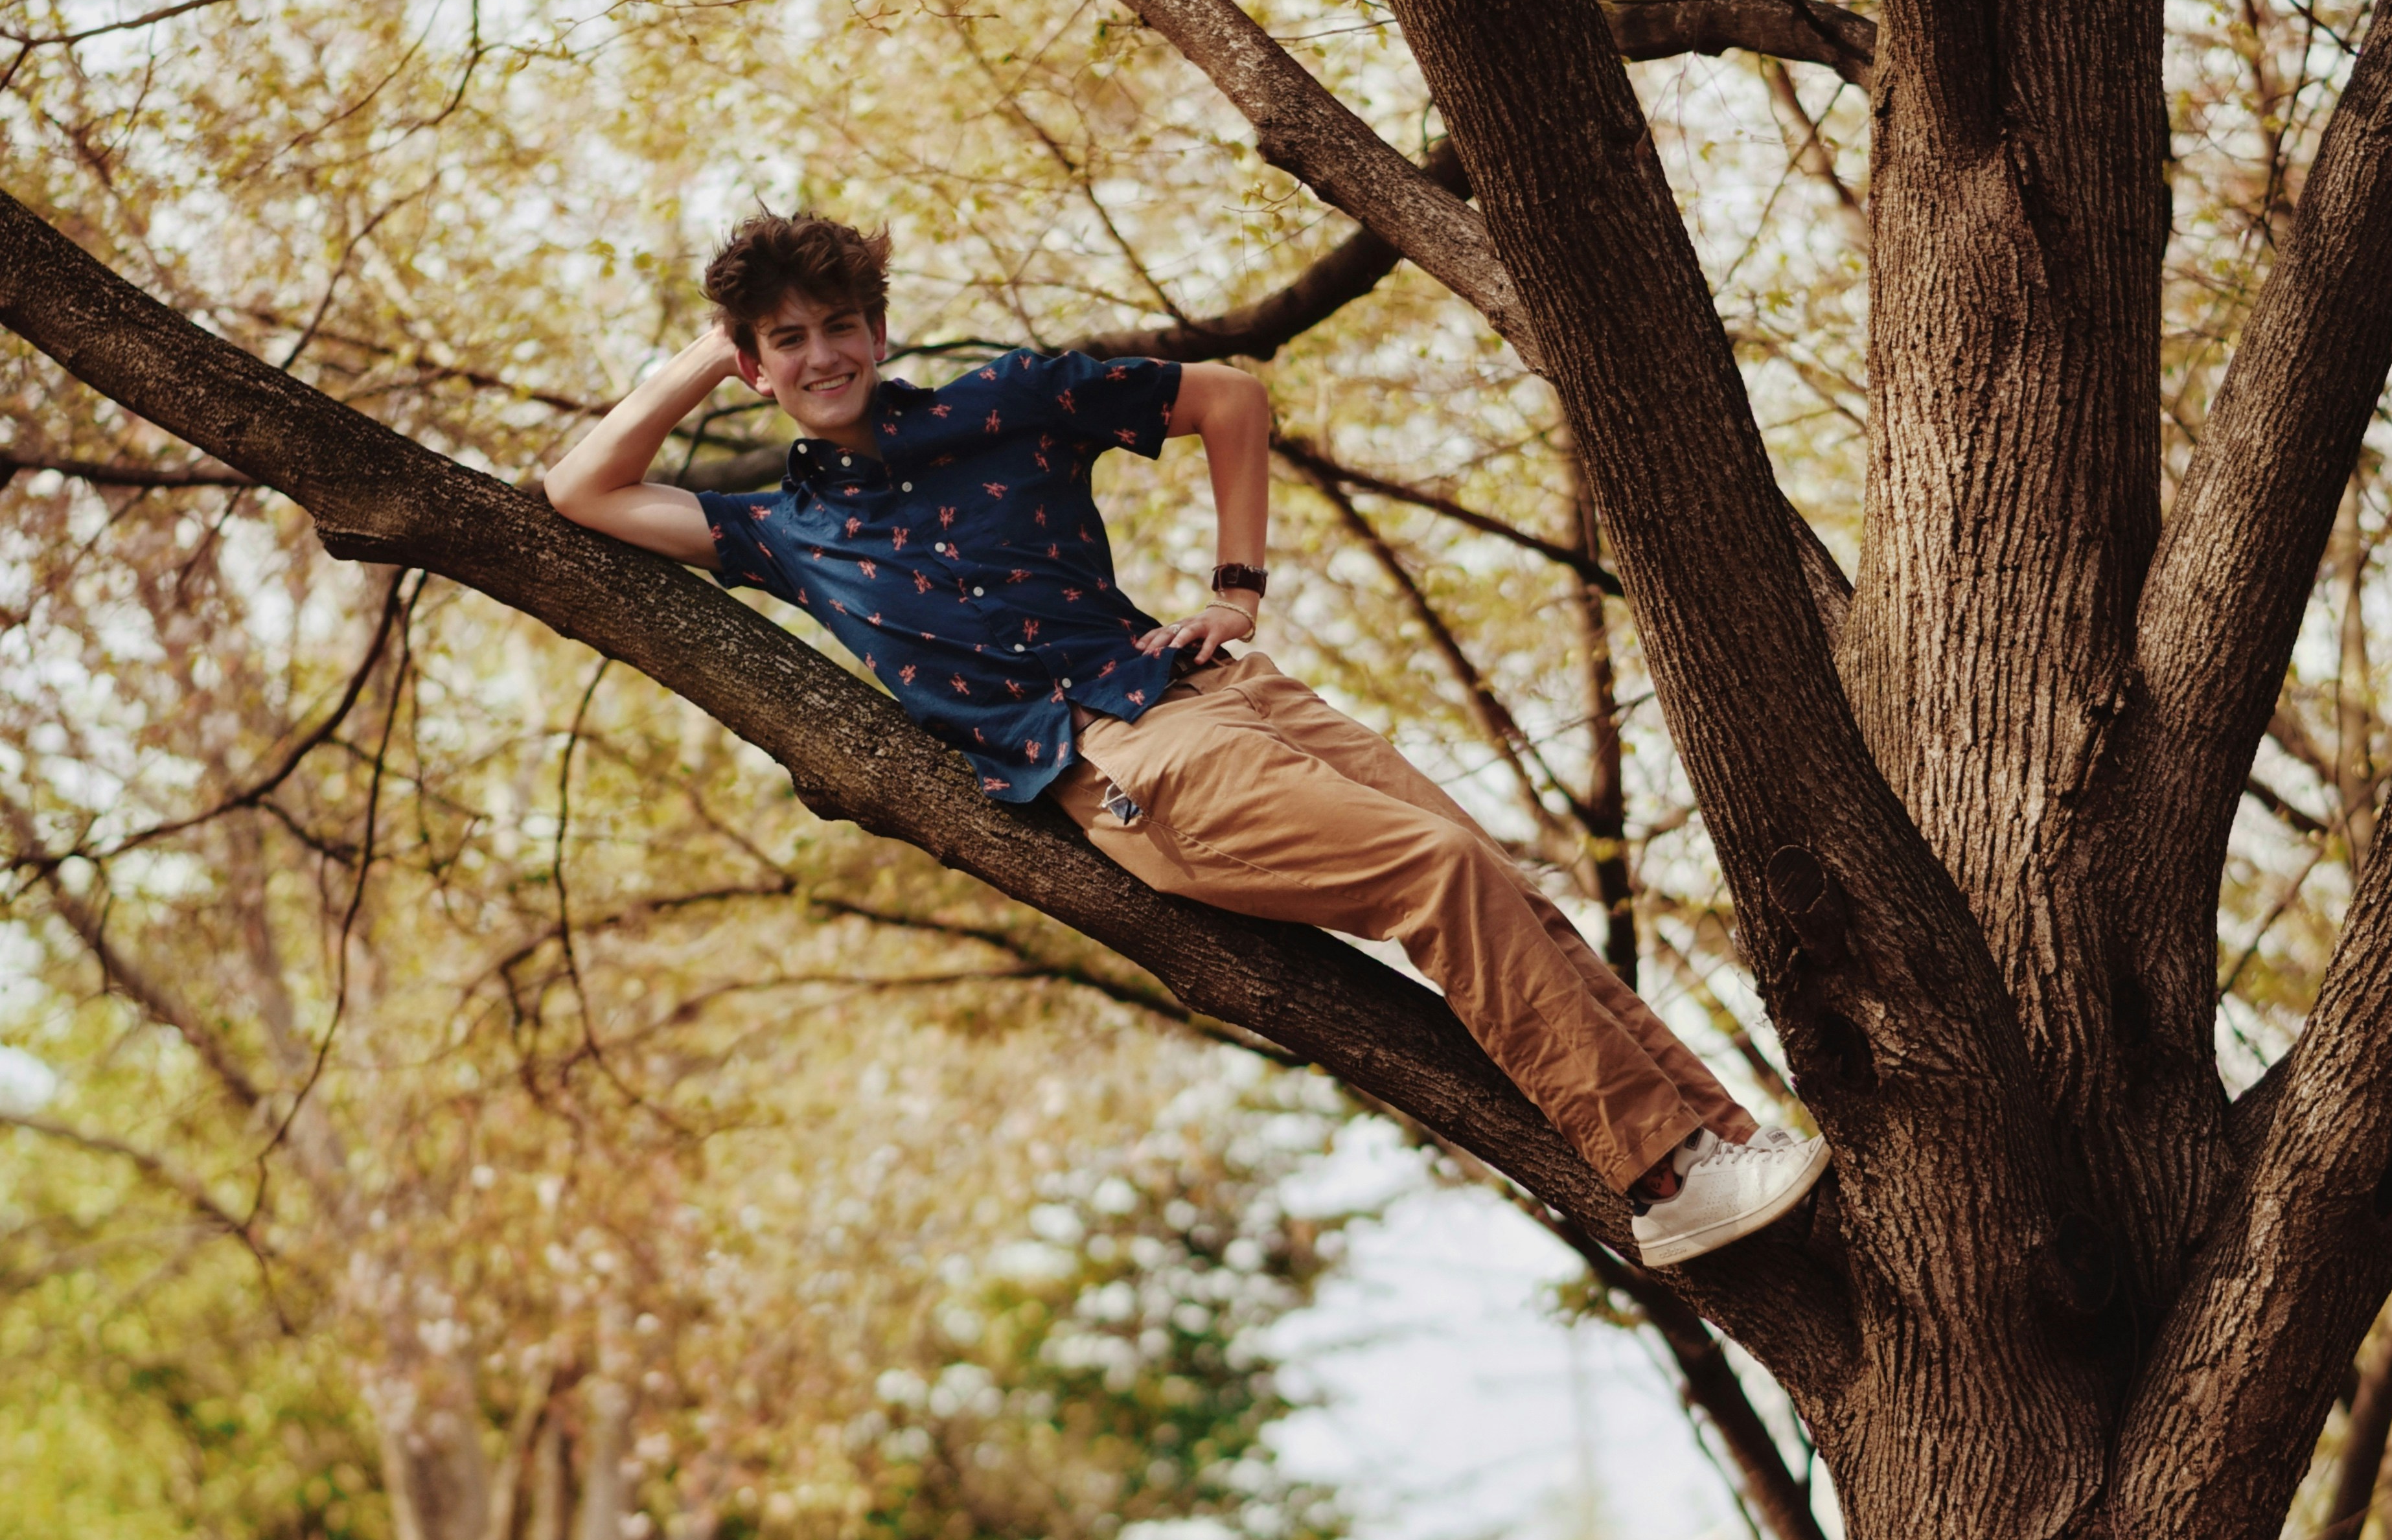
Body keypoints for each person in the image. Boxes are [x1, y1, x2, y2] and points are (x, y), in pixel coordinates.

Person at [544, 211, 1830, 1267]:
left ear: (879, 331)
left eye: (838, 325)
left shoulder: (1008, 402)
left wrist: (1234, 587)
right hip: (1126, 765)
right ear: (756, 363)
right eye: (786, 340)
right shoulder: (781, 532)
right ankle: (1659, 1172)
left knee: (1491, 878)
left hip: (1222, 688)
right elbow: (580, 491)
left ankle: (1716, 1146)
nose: (821, 354)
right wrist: (700, 363)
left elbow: (1228, 397)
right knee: (1436, 878)